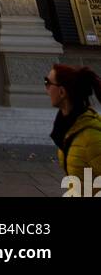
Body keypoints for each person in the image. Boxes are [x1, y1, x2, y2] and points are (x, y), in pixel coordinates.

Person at [46, 64, 101, 192]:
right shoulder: (67, 130)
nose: (46, 89)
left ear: (62, 92)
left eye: (47, 83)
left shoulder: (90, 138)